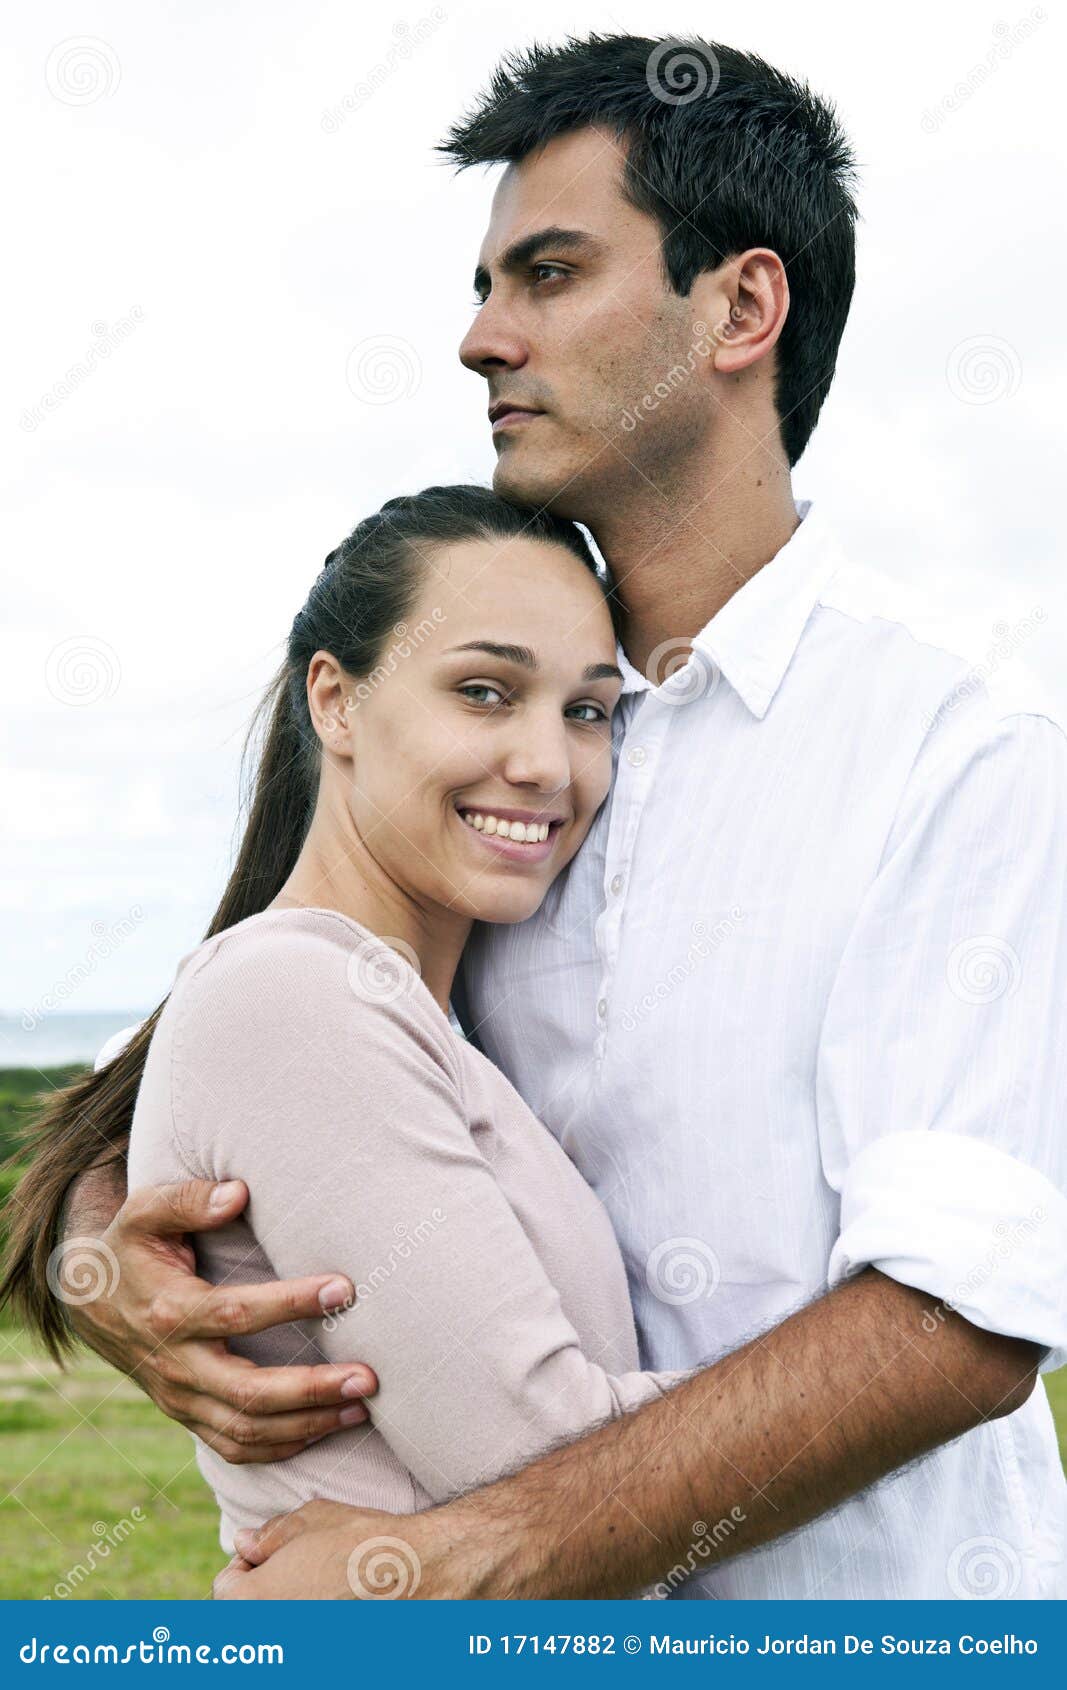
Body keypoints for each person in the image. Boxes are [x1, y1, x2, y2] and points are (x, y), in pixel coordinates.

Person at [8, 35, 1067, 1601]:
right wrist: (124, 1268)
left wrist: (475, 1556)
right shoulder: (483, 752)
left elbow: (958, 1320)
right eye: (488, 283)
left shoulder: (951, 759)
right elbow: (200, 1059)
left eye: (547, 273)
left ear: (738, 309)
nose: (476, 338)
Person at [2, 484, 688, 1580]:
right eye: (482, 690)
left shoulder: (391, 1000)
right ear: (335, 700)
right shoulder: (298, 997)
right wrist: (886, 1375)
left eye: (587, 710)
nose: (548, 766)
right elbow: (539, 1454)